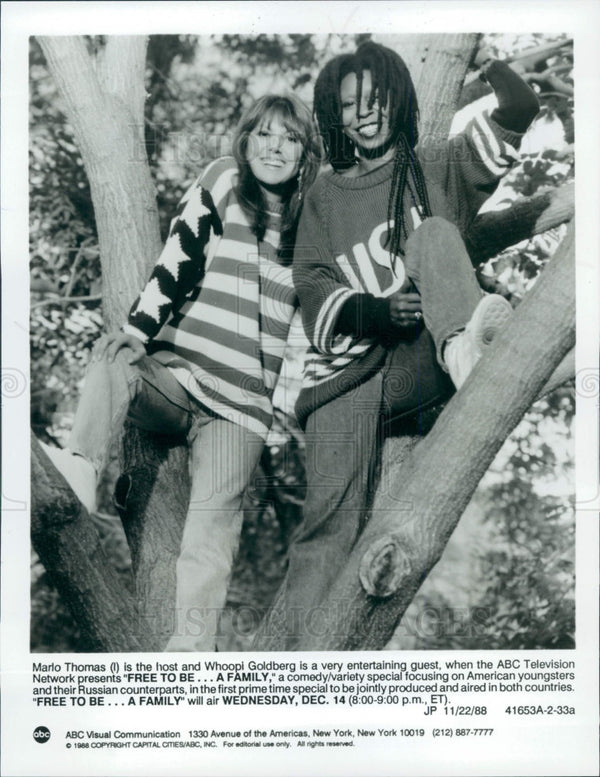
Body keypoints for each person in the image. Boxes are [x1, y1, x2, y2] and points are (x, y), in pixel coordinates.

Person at [267, 40, 540, 649]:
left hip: (427, 359)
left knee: (437, 233)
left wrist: (489, 62)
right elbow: (311, 284)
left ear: (397, 97)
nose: (364, 113)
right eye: (347, 105)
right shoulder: (324, 197)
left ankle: (466, 351)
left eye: (375, 97)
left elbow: (518, 107)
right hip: (346, 376)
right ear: (334, 118)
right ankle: (312, 675)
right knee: (325, 530)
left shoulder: (437, 165)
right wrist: (372, 310)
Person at [42, 93, 321, 652]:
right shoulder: (222, 181)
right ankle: (80, 470)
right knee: (114, 357)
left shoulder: (312, 225)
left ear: (304, 154)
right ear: (245, 140)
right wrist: (139, 334)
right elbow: (178, 259)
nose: (275, 147)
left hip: (239, 410)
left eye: (291, 138)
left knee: (210, 533)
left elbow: (325, 311)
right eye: (265, 133)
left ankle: (189, 655)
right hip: (175, 377)